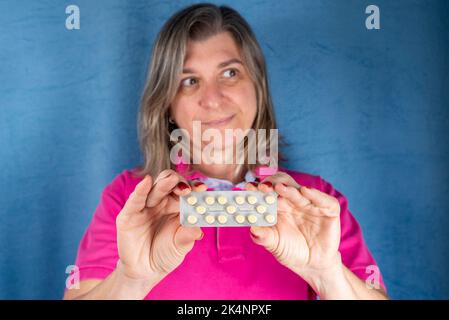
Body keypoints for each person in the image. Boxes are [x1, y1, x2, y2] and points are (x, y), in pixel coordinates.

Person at [63, 3, 388, 300]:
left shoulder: (313, 202)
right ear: (167, 105)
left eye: (230, 73)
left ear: (257, 85)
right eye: (189, 81)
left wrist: (327, 273)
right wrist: (131, 278)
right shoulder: (130, 200)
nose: (213, 99)